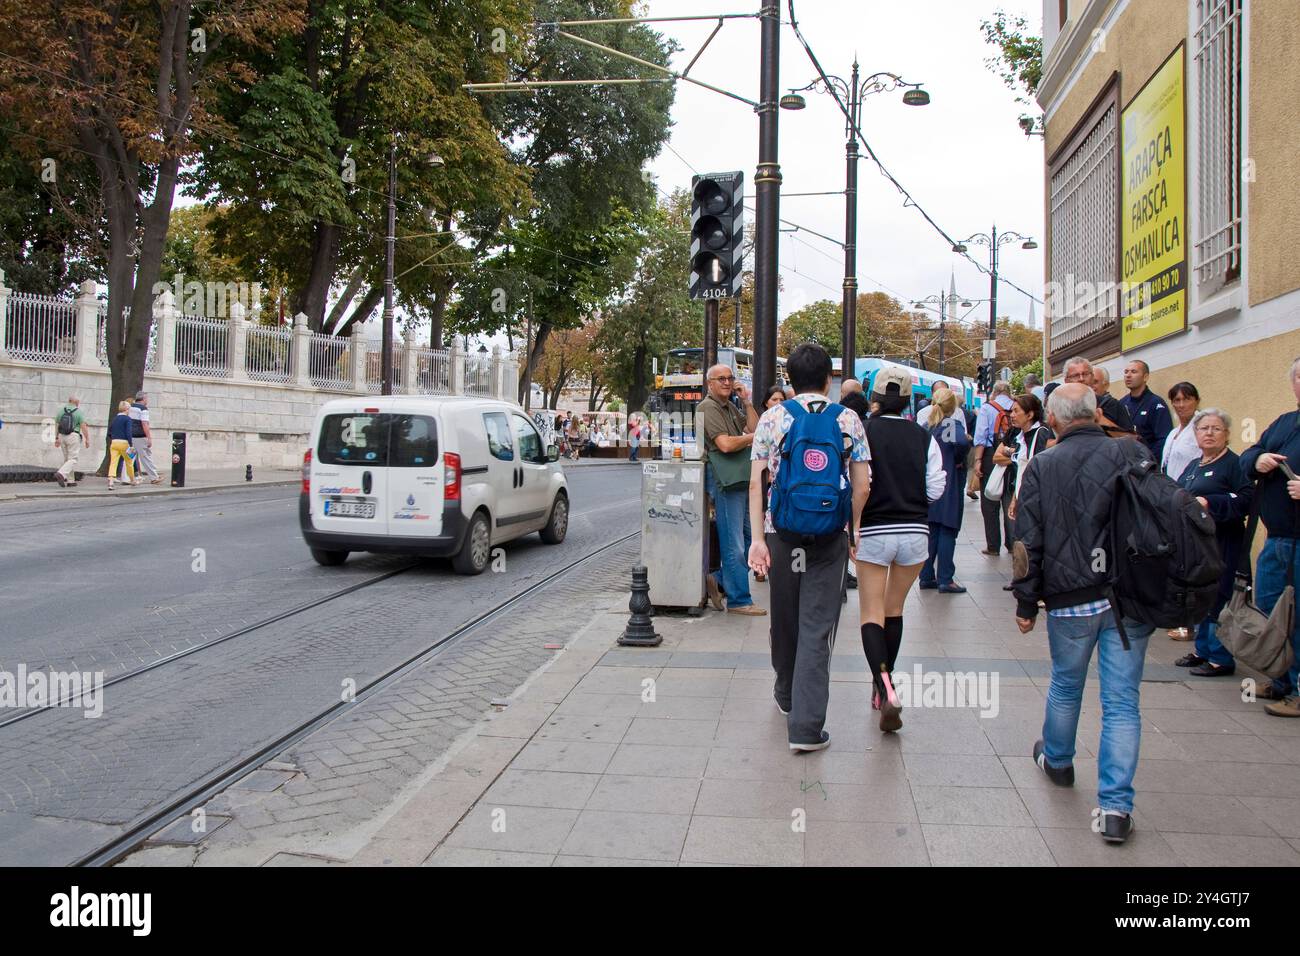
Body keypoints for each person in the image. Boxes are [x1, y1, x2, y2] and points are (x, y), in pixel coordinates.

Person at [1011, 383, 1156, 844]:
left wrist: (1025, 601)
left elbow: (1027, 539)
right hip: (1128, 598)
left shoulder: (1043, 465)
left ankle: (1057, 760)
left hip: (1070, 597)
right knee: (1121, 702)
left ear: (1052, 420)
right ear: (1096, 414)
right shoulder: (1134, 454)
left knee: (1066, 684)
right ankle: (1115, 809)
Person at [748, 343, 870, 751]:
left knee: (784, 619)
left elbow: (757, 482)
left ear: (790, 378)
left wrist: (757, 540)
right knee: (818, 628)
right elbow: (863, 483)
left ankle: (786, 693)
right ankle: (806, 729)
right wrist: (850, 528)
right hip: (829, 536)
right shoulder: (849, 418)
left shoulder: (772, 416)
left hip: (782, 532)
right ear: (829, 379)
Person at [856, 367, 945, 731]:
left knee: (871, 611)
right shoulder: (923, 436)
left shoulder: (863, 431)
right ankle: (886, 684)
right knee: (894, 609)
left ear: (874, 397)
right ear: (909, 400)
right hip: (914, 533)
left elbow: (856, 483)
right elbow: (936, 487)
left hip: (874, 530)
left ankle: (882, 685)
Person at [1238, 358, 1300, 718]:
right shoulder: (1284, 423)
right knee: (1272, 613)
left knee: (1298, 619)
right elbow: (1247, 455)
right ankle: (1281, 680)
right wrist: (1258, 458)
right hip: (1276, 539)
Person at [1172, 408, 1252, 677]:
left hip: (1223, 542)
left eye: (1216, 428)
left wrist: (1211, 503)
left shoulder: (1233, 464)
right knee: (1201, 594)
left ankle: (1221, 657)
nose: (1209, 433)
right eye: (1204, 428)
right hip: (1197, 545)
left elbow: (1247, 499)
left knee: (1220, 595)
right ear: (1195, 434)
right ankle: (1203, 650)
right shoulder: (1195, 465)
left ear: (1227, 434)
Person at [698, 364, 763, 616]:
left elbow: (752, 427)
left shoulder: (730, 406)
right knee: (734, 541)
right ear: (710, 383)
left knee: (750, 539)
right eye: (721, 379)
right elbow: (725, 444)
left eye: (730, 378)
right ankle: (738, 599)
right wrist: (752, 439)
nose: (727, 382)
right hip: (725, 479)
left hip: (737, 478)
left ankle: (720, 578)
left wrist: (746, 402)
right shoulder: (707, 407)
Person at [919, 387, 970, 594]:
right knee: (947, 529)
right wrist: (957, 459)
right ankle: (945, 578)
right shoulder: (950, 424)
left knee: (931, 531)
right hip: (948, 484)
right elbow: (960, 442)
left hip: (928, 484)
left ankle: (926, 575)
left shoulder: (927, 426)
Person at [1000, 393, 1052, 588]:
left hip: (1035, 497)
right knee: (1021, 537)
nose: (1012, 415)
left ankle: (1033, 582)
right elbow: (1022, 469)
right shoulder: (1021, 436)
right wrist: (1015, 498)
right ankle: (1022, 577)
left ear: (1030, 414)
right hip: (1024, 494)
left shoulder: (1041, 434)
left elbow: (1033, 468)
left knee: (1032, 539)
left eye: (1016, 411)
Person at [974, 379, 1015, 555]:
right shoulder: (1016, 406)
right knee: (1009, 498)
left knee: (989, 500)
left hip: (992, 455)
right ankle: (1012, 543)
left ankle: (993, 546)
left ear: (995, 393)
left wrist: (977, 460)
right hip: (1012, 453)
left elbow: (981, 437)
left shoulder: (987, 408)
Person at [1120, 359, 1173, 456]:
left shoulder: (1156, 404)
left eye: (1134, 372)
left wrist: (1149, 460)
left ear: (1145, 377)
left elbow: (1163, 440)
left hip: (1148, 462)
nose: (1128, 375)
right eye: (1126, 372)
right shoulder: (1122, 403)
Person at [1161, 381, 1201, 481]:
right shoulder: (1172, 433)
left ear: (1197, 401)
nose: (1181, 405)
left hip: (1192, 486)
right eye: (1177, 400)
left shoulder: (1201, 429)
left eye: (1187, 399)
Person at [52, 395, 90, 488]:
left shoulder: (61, 411)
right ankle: (61, 473)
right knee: (73, 459)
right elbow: (83, 426)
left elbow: (56, 425)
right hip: (73, 436)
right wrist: (87, 439)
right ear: (76, 402)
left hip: (62, 436)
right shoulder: (78, 412)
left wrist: (56, 438)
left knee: (67, 459)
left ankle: (70, 481)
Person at [1091, 365, 1136, 434]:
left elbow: (1131, 438)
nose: (1090, 386)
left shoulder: (1116, 406)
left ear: (1106, 385)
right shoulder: (1083, 406)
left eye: (1095, 382)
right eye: (1088, 383)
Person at [129, 391, 161, 484]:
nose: (147, 400)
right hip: (140, 436)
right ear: (143, 399)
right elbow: (144, 423)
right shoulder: (143, 409)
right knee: (146, 456)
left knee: (130, 457)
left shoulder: (131, 407)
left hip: (131, 435)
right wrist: (149, 438)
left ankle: (127, 477)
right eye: (146, 398)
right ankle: (154, 477)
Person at [106, 400, 137, 491]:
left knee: (113, 462)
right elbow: (128, 432)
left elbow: (109, 432)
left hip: (114, 443)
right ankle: (132, 480)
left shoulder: (115, 418)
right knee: (129, 462)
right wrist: (131, 444)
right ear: (127, 409)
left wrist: (113, 438)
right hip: (124, 443)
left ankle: (111, 482)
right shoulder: (128, 419)